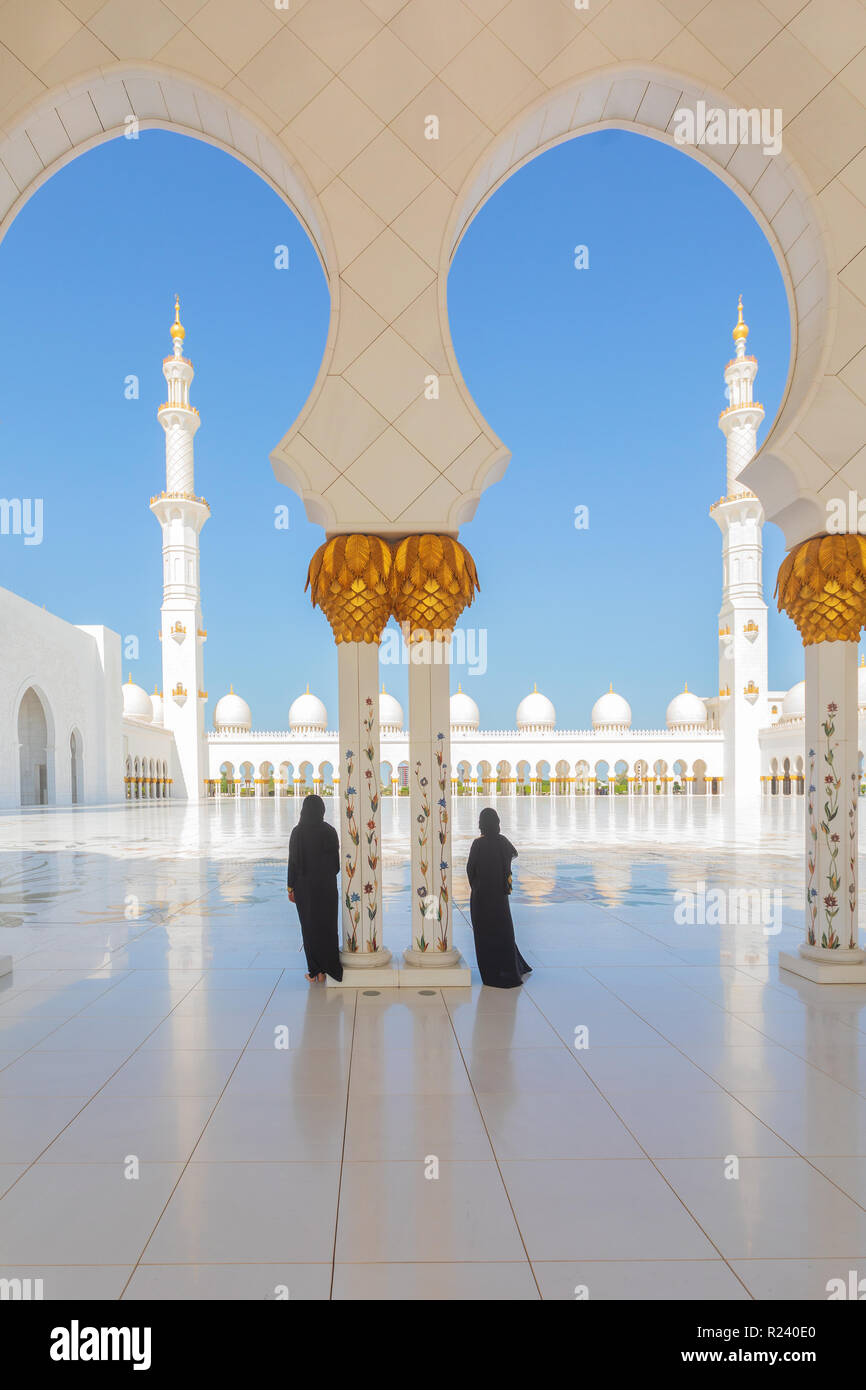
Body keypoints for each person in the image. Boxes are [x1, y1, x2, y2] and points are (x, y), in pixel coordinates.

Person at [466, 807, 532, 988]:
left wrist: (477, 887)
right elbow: (513, 855)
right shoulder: (503, 842)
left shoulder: (478, 844)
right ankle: (509, 970)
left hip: (481, 898)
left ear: (481, 824)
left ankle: (491, 974)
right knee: (503, 933)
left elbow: (470, 870)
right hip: (500, 897)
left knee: (484, 934)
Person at [286, 794, 342, 983]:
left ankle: (315, 971)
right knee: (327, 926)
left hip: (304, 888)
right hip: (326, 886)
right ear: (322, 810)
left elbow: (293, 862)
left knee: (309, 928)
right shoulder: (329, 831)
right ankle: (330, 968)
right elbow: (336, 865)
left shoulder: (297, 832)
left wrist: (290, 887)